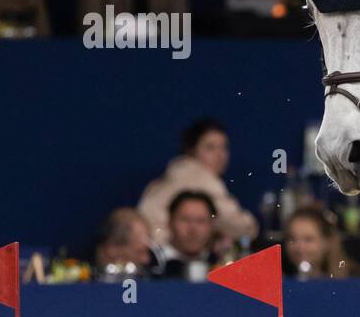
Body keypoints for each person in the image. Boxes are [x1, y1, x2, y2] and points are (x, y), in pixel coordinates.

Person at [137, 118, 259, 248]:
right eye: (210, 148)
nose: (220, 155)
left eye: (224, 147)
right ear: (191, 151)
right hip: (163, 253)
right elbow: (243, 227)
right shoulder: (199, 176)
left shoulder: (174, 173)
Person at [151, 192, 220, 279]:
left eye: (201, 221)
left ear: (212, 225)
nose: (193, 229)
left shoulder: (220, 265)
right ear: (170, 222)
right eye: (185, 220)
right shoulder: (150, 263)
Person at [283, 207, 360, 279]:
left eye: (308, 239)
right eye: (292, 239)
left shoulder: (353, 277)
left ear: (327, 242)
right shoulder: (278, 282)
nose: (299, 247)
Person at [93, 207, 156, 277]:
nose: (146, 260)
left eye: (147, 251)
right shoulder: (83, 280)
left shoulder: (152, 276)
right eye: (139, 252)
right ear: (112, 249)